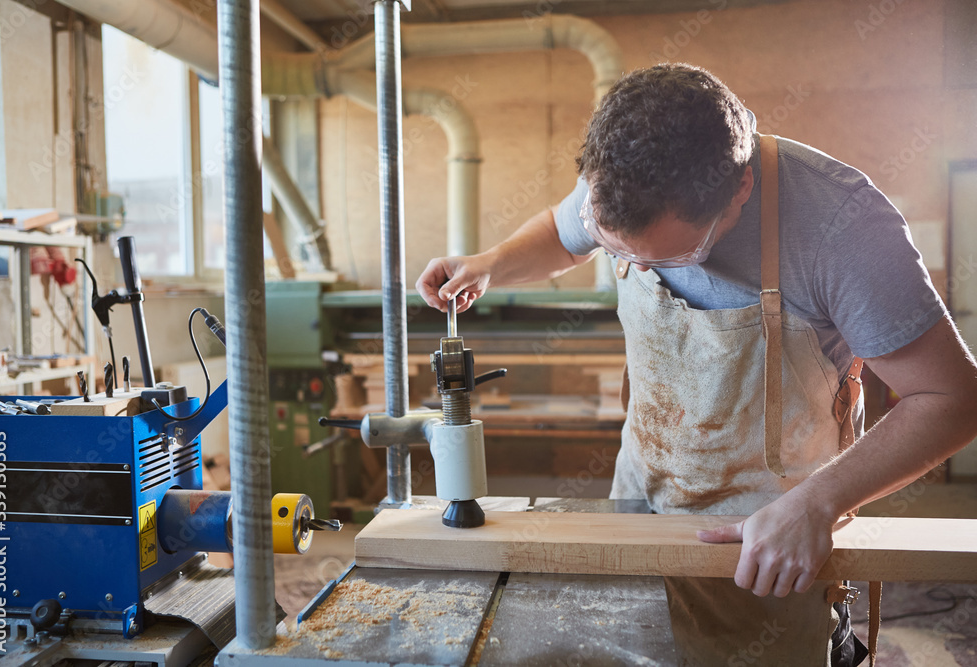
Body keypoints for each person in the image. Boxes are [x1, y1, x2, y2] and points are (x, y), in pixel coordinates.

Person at [416, 63, 977, 665]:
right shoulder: (618, 181)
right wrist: (492, 262)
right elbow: (561, 235)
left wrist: (818, 503)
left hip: (768, 538)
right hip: (640, 503)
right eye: (614, 247)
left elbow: (954, 399)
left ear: (739, 190)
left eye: (673, 256)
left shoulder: (843, 227)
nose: (643, 270)